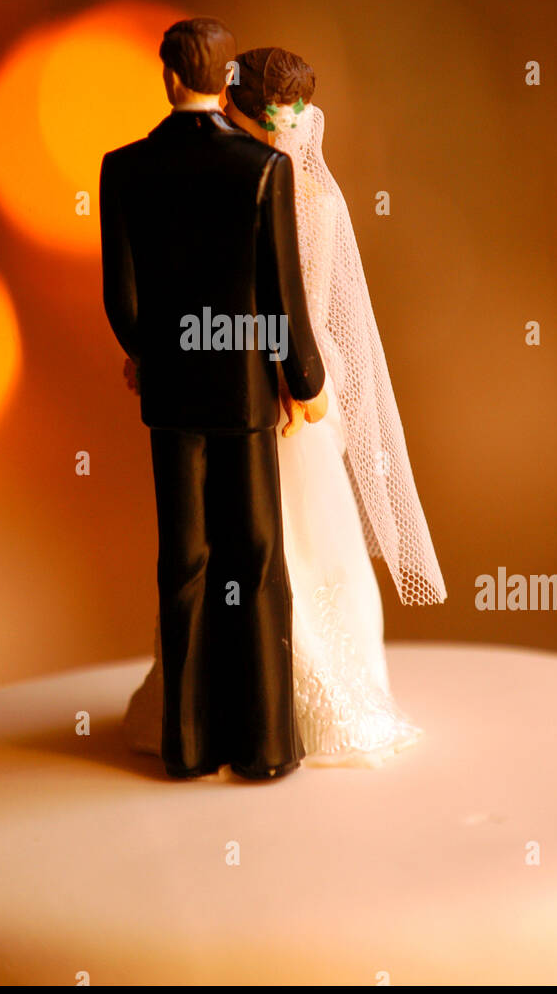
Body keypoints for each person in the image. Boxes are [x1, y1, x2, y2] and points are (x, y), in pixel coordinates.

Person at [125, 45, 447, 766]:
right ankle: (250, 717)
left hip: (266, 393)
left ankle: (259, 709)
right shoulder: (253, 182)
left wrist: (300, 384)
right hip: (256, 386)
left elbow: (308, 307)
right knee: (259, 547)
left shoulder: (292, 195)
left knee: (276, 546)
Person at [100, 20, 327, 781]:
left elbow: (122, 300)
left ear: (168, 77)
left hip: (173, 396)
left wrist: (152, 352)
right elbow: (282, 293)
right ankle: (263, 743)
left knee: (184, 561)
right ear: (221, 78)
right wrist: (307, 382)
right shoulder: (262, 168)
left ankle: (189, 744)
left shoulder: (124, 168)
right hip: (243, 391)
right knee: (257, 559)